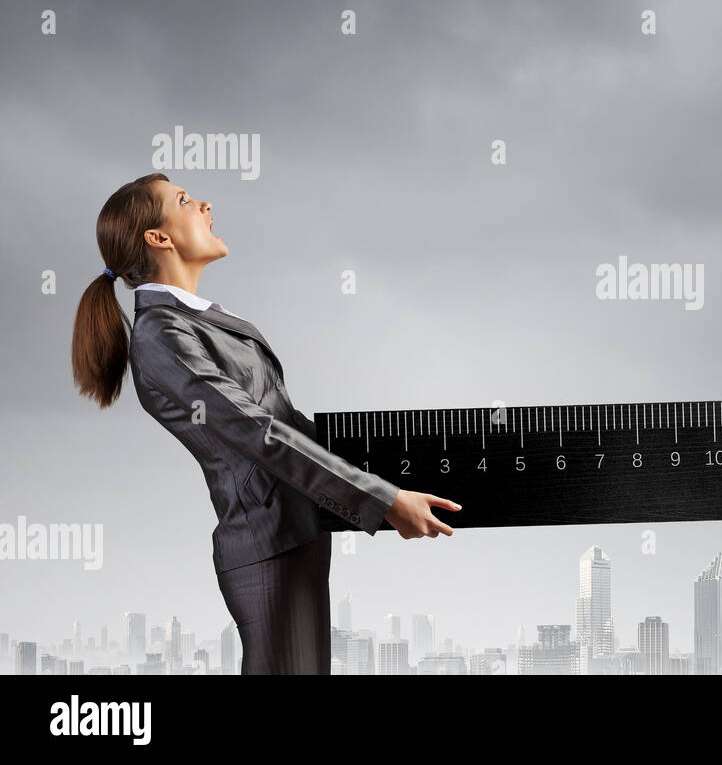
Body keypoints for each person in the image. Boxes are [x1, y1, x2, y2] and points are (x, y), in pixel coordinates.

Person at [70, 172, 460, 674]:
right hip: (268, 546)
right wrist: (380, 500)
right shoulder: (160, 335)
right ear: (159, 238)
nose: (205, 205)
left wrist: (392, 472)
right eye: (185, 201)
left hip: (293, 536)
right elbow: (259, 431)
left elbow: (284, 422)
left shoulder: (196, 320)